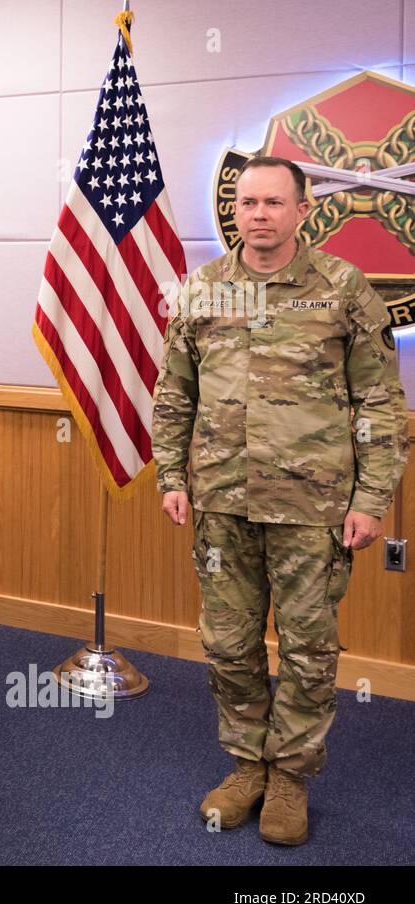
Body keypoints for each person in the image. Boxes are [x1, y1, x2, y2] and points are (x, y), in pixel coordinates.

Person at [151, 156, 409, 845]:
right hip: (221, 503)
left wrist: (372, 496)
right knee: (229, 644)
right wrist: (171, 477)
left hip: (314, 507)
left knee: (306, 649)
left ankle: (290, 776)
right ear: (235, 210)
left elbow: (378, 403)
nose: (258, 213)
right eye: (247, 202)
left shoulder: (343, 289)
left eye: (273, 201)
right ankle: (245, 766)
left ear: (303, 210)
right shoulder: (202, 291)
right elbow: (175, 392)